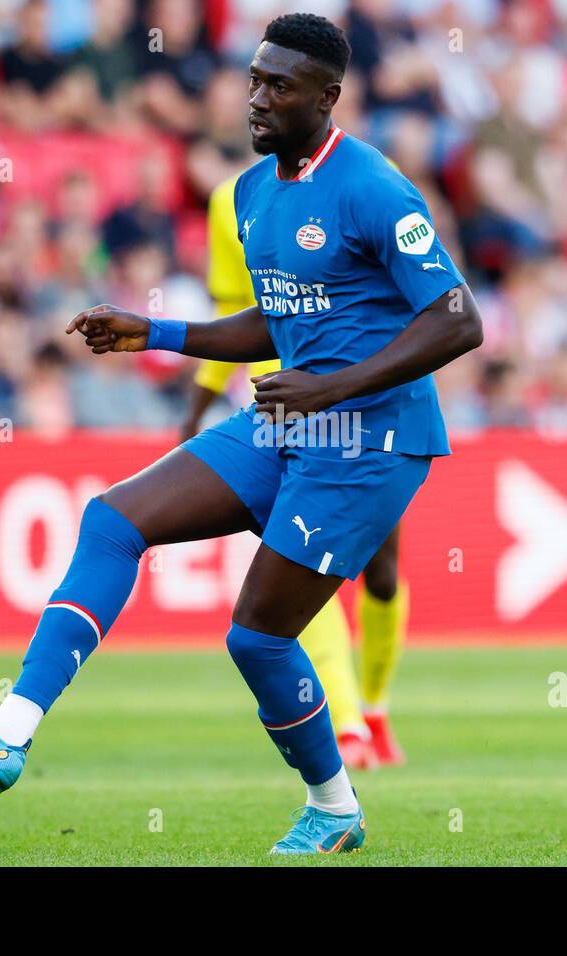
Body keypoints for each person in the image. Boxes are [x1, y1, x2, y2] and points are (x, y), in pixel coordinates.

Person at [0, 13, 481, 855]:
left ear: (327, 95)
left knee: (257, 638)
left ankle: (336, 807)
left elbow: (460, 320)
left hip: (370, 443)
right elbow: (278, 321)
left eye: (279, 85)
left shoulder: (375, 186)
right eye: (253, 79)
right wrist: (156, 333)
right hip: (286, 424)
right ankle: (8, 729)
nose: (257, 97)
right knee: (113, 520)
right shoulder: (251, 193)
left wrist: (334, 387)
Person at [181, 172, 412, 770]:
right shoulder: (230, 197)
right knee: (307, 557)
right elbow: (235, 311)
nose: (264, 103)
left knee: (383, 574)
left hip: (358, 403)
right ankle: (349, 721)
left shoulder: (363, 186)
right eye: (259, 86)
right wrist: (198, 409)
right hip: (275, 407)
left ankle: (376, 706)